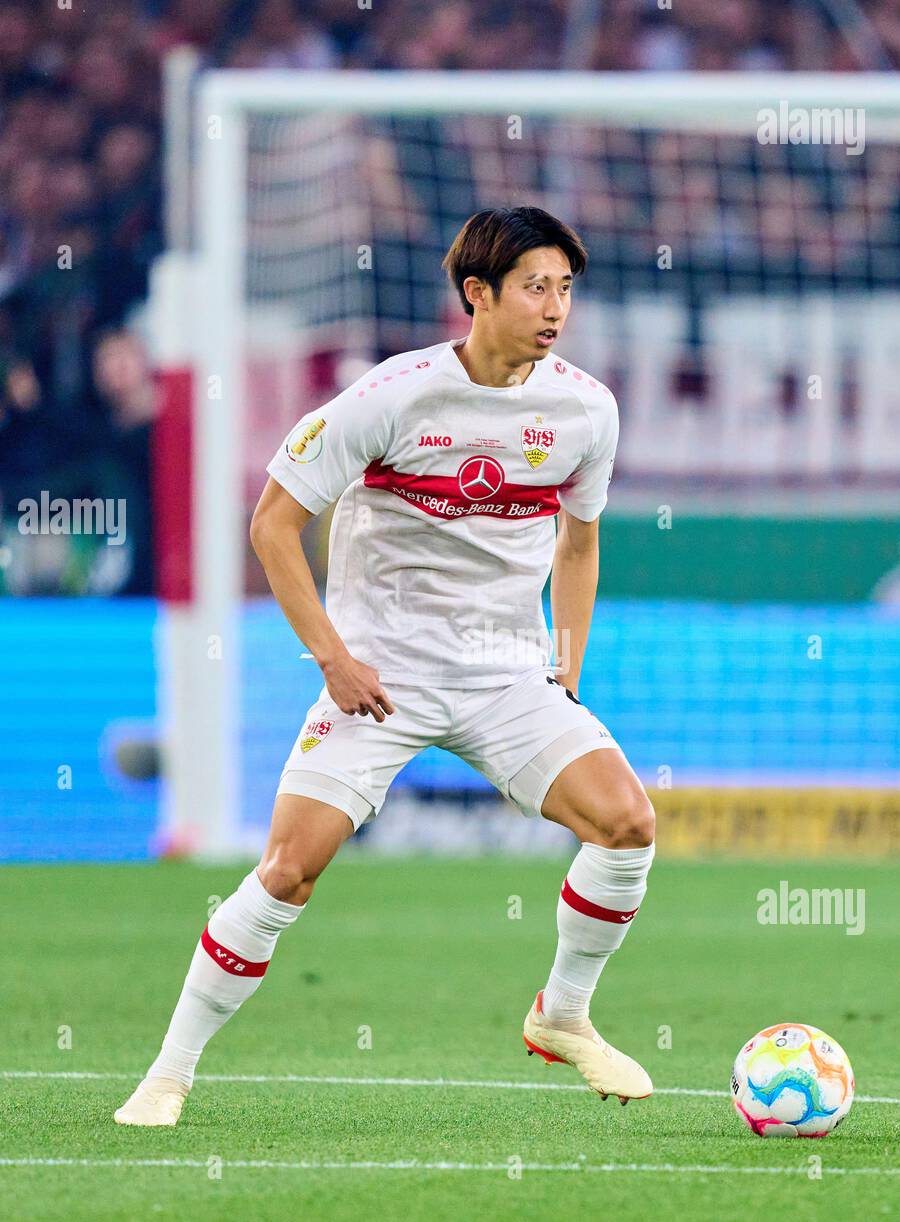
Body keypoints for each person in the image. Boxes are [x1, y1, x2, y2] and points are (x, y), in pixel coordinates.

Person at [114, 206, 657, 1127]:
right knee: (288, 870)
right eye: (535, 286)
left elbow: (578, 544)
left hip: (505, 676)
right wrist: (333, 657)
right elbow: (272, 528)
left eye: (565, 287)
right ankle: (167, 1074)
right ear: (477, 295)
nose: (555, 306)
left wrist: (568, 660)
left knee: (629, 823)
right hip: (381, 681)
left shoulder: (585, 409)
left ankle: (562, 1017)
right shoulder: (390, 396)